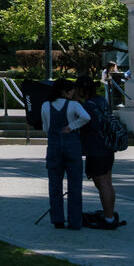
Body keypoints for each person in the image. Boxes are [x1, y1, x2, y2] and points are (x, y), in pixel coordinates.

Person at [43, 76, 90, 231]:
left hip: (54, 147)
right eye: (71, 91)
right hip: (72, 146)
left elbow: (45, 128)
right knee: (75, 185)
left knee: (54, 184)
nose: (72, 94)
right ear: (65, 91)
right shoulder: (74, 105)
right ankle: (75, 221)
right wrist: (72, 126)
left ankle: (57, 219)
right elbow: (86, 117)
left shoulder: (46, 105)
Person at [81, 77, 127, 229]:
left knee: (102, 184)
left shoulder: (88, 106)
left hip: (97, 149)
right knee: (107, 183)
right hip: (108, 147)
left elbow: (91, 124)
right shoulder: (100, 101)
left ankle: (108, 218)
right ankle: (110, 214)